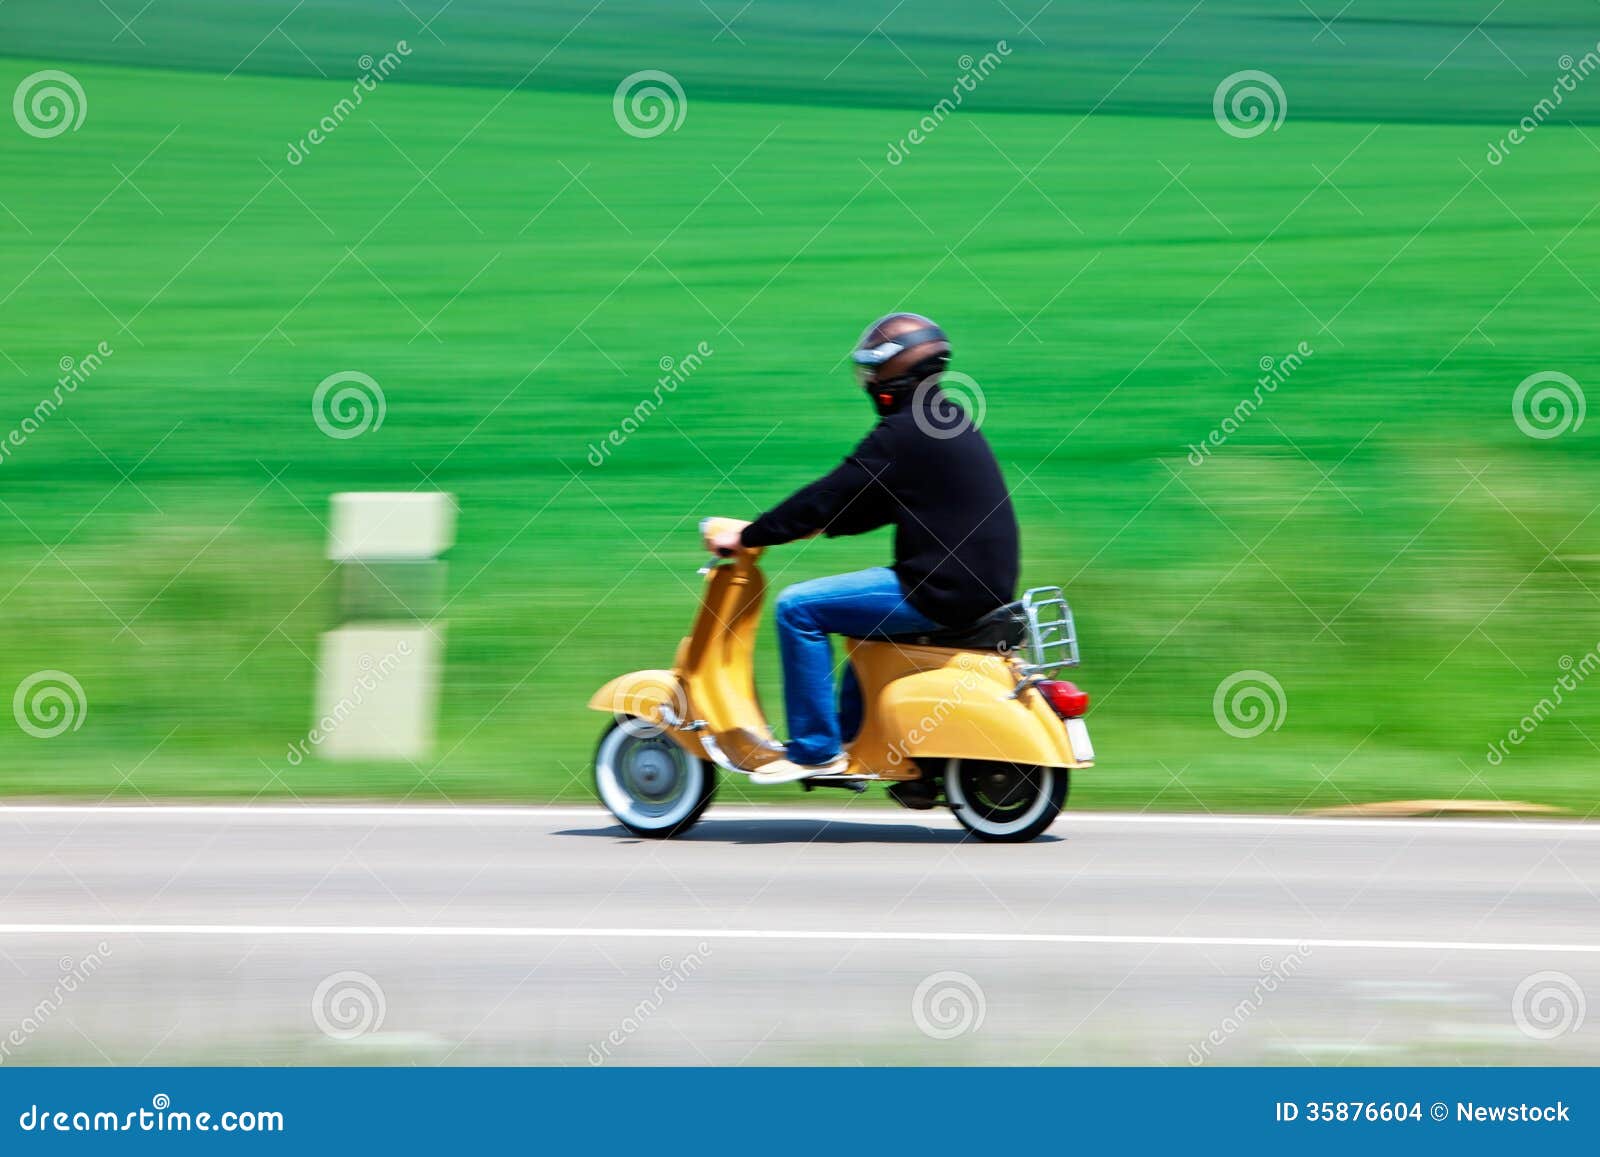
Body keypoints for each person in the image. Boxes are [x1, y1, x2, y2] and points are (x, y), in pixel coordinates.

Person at [704, 312, 1019, 783]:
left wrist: (749, 535)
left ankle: (815, 751)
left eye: (873, 369)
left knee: (798, 608)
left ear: (896, 371)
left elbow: (830, 493)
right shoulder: (944, 418)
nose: (869, 381)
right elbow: (880, 501)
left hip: (937, 590)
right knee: (857, 619)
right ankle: (855, 740)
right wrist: (816, 527)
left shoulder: (903, 432)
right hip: (974, 584)